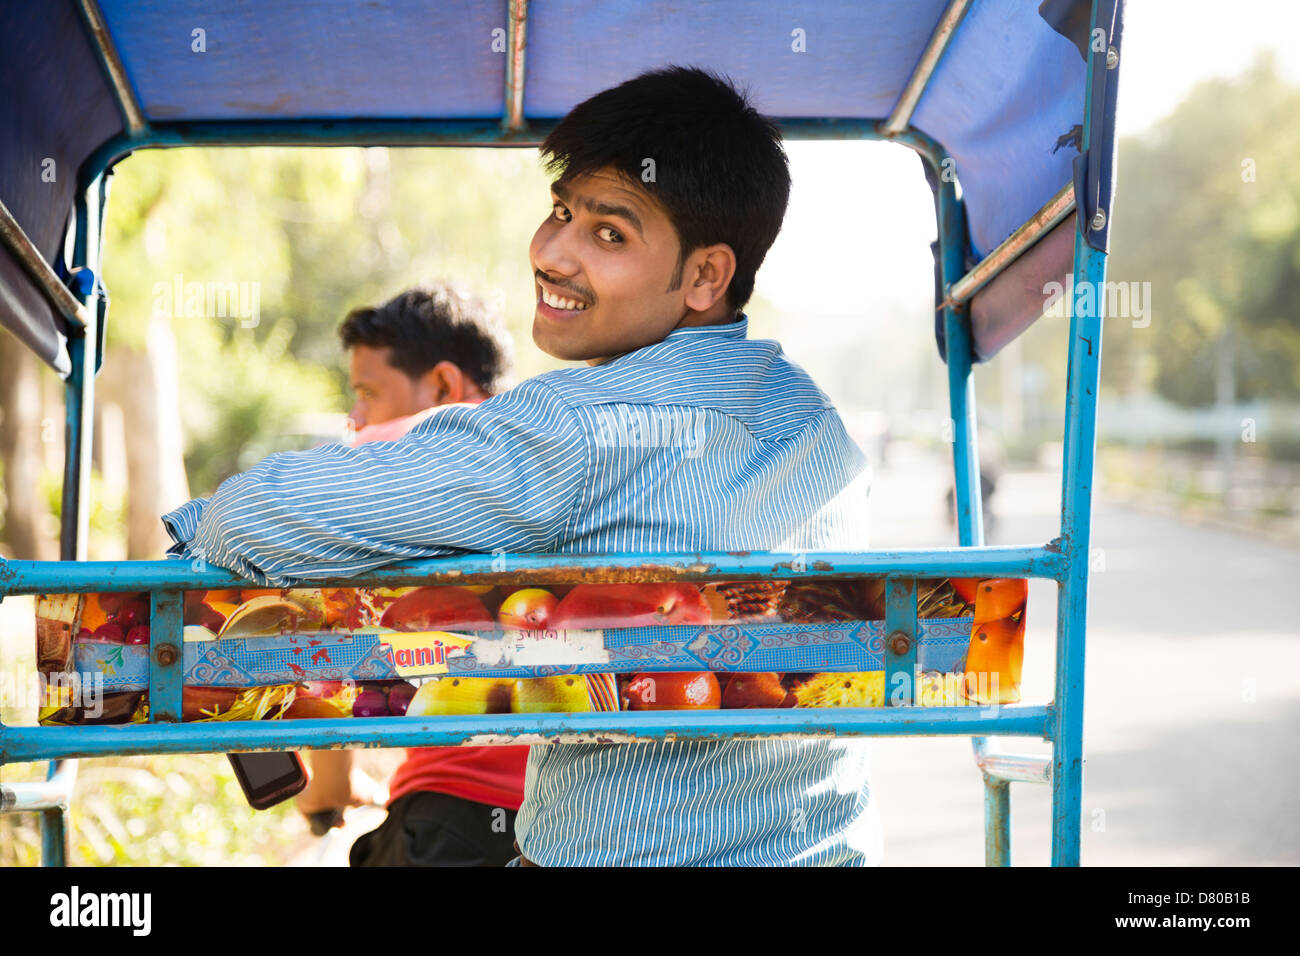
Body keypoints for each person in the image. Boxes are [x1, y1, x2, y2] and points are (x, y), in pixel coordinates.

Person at [163, 66, 879, 866]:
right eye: (561, 212)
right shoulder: (821, 429)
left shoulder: (580, 428)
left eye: (610, 234)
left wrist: (196, 532)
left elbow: (250, 523)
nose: (552, 254)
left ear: (706, 276)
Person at [293, 285, 529, 866]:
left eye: (369, 393)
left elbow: (327, 640)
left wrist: (325, 791)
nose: (357, 417)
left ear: (444, 387)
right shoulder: (556, 452)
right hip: (590, 821)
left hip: (450, 822)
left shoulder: (394, 455)